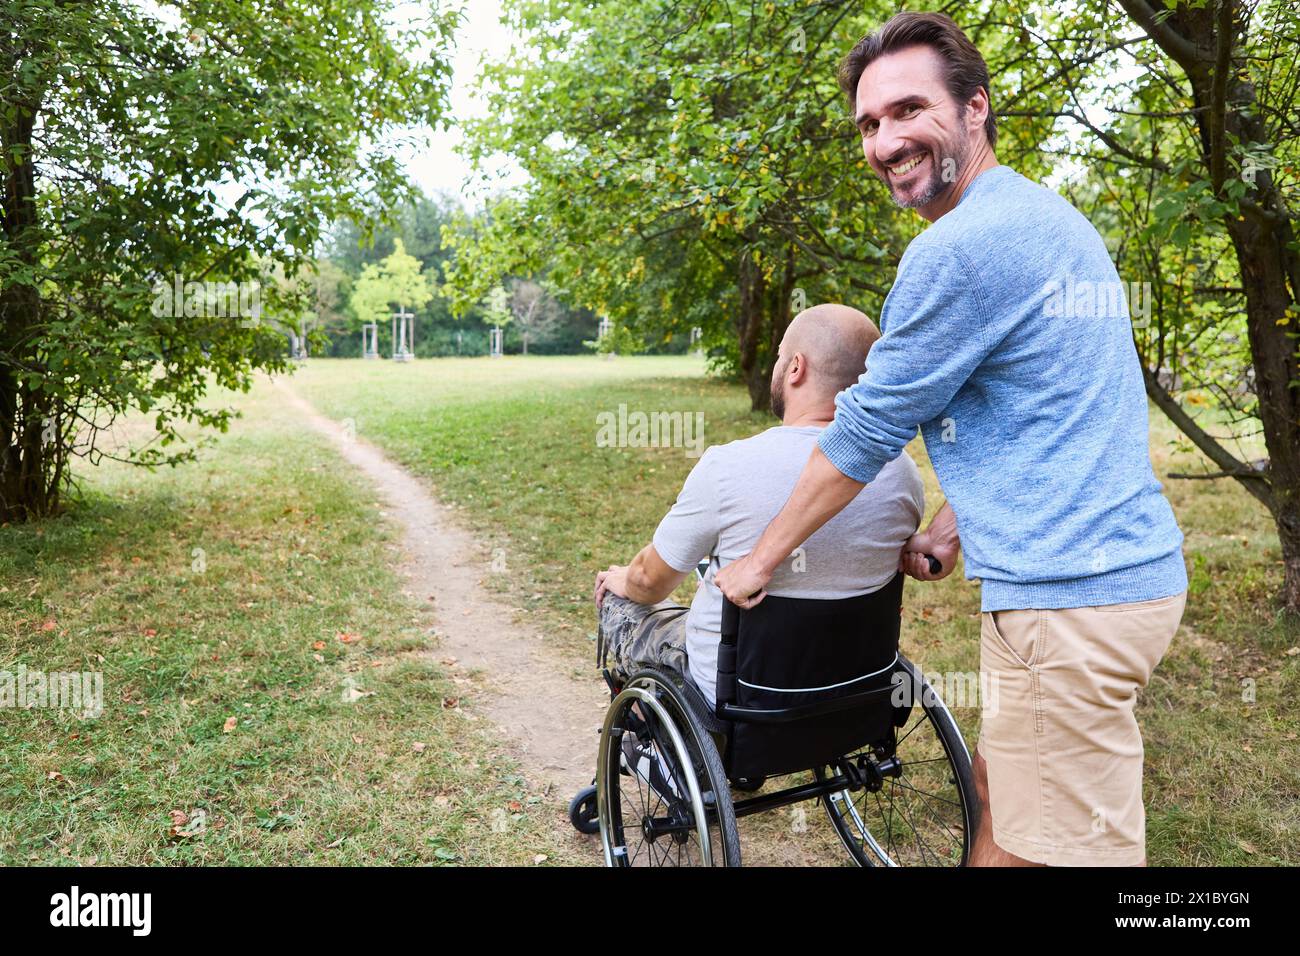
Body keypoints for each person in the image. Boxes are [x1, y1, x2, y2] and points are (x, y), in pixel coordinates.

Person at [715, 11, 1187, 868]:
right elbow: (1062, 409)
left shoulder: (959, 252)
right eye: (868, 123)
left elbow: (864, 430)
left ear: (976, 107)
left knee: (1067, 855)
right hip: (1108, 582)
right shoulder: (1047, 219)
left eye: (907, 111)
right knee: (999, 802)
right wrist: (956, 520)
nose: (885, 141)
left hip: (1069, 605)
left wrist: (757, 560)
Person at [593, 304, 923, 709]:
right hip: (857, 689)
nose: (777, 366)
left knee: (626, 602)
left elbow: (649, 582)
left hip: (740, 692)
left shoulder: (728, 466)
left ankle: (647, 746)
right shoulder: (902, 472)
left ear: (796, 368)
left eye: (780, 356)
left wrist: (622, 580)